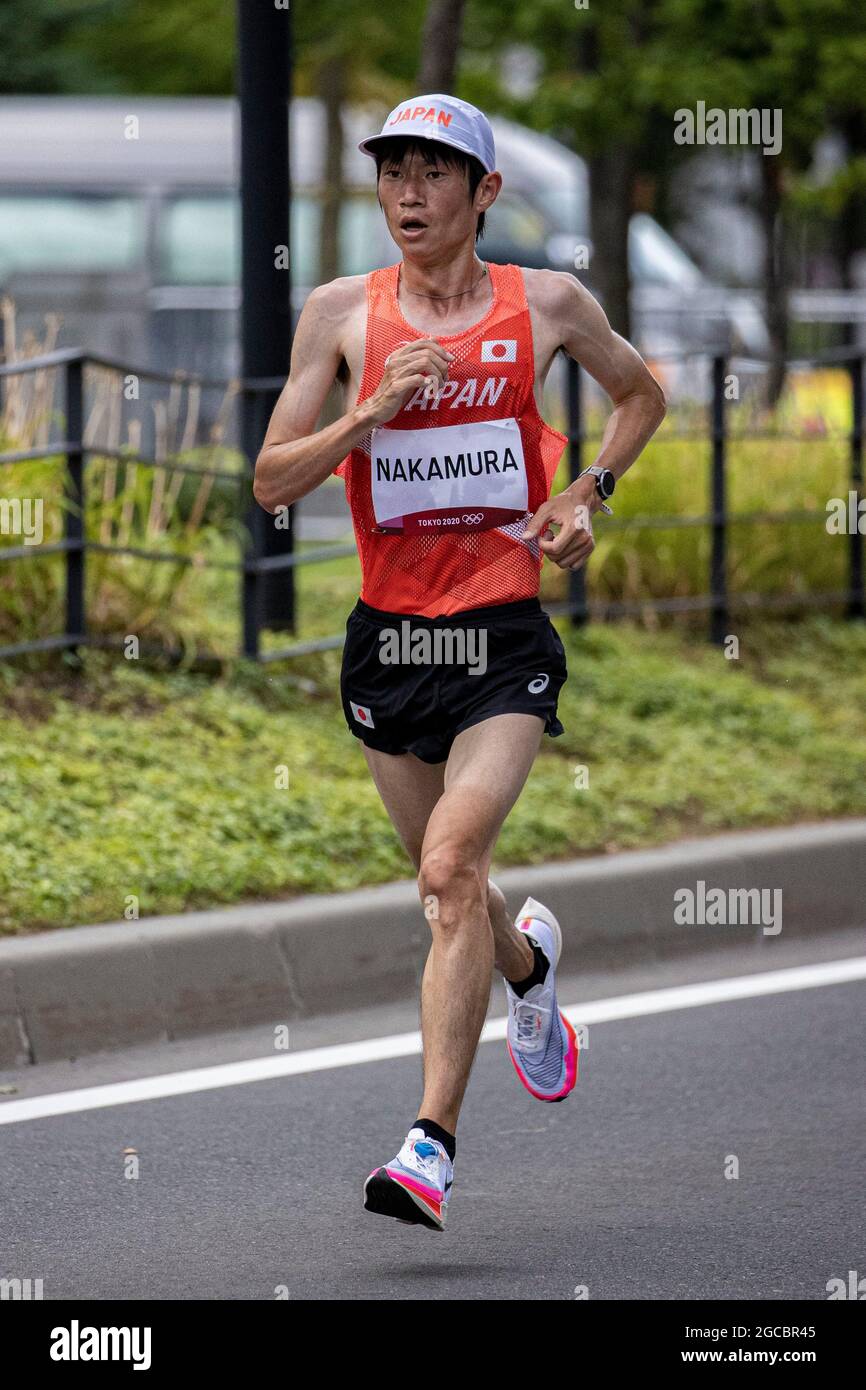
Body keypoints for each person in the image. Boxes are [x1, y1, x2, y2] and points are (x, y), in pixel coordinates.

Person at [254, 93, 666, 1231]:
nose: (408, 194)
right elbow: (271, 480)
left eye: (435, 173)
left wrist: (589, 491)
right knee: (457, 892)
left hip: (499, 642)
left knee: (446, 875)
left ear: (483, 192)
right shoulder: (341, 313)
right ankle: (528, 978)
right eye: (393, 173)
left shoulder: (546, 305)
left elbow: (641, 392)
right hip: (388, 641)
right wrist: (367, 412)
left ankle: (427, 1147)